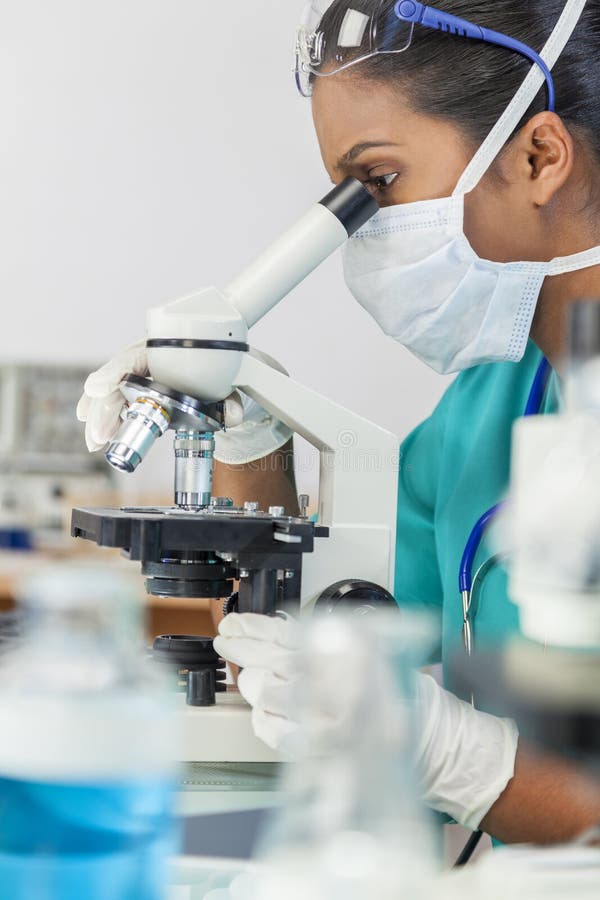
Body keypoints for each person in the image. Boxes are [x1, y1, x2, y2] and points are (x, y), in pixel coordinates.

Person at [78, 0, 600, 845]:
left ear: (539, 157)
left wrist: (463, 762)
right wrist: (251, 442)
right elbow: (312, 657)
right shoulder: (490, 405)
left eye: (381, 182)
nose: (364, 230)